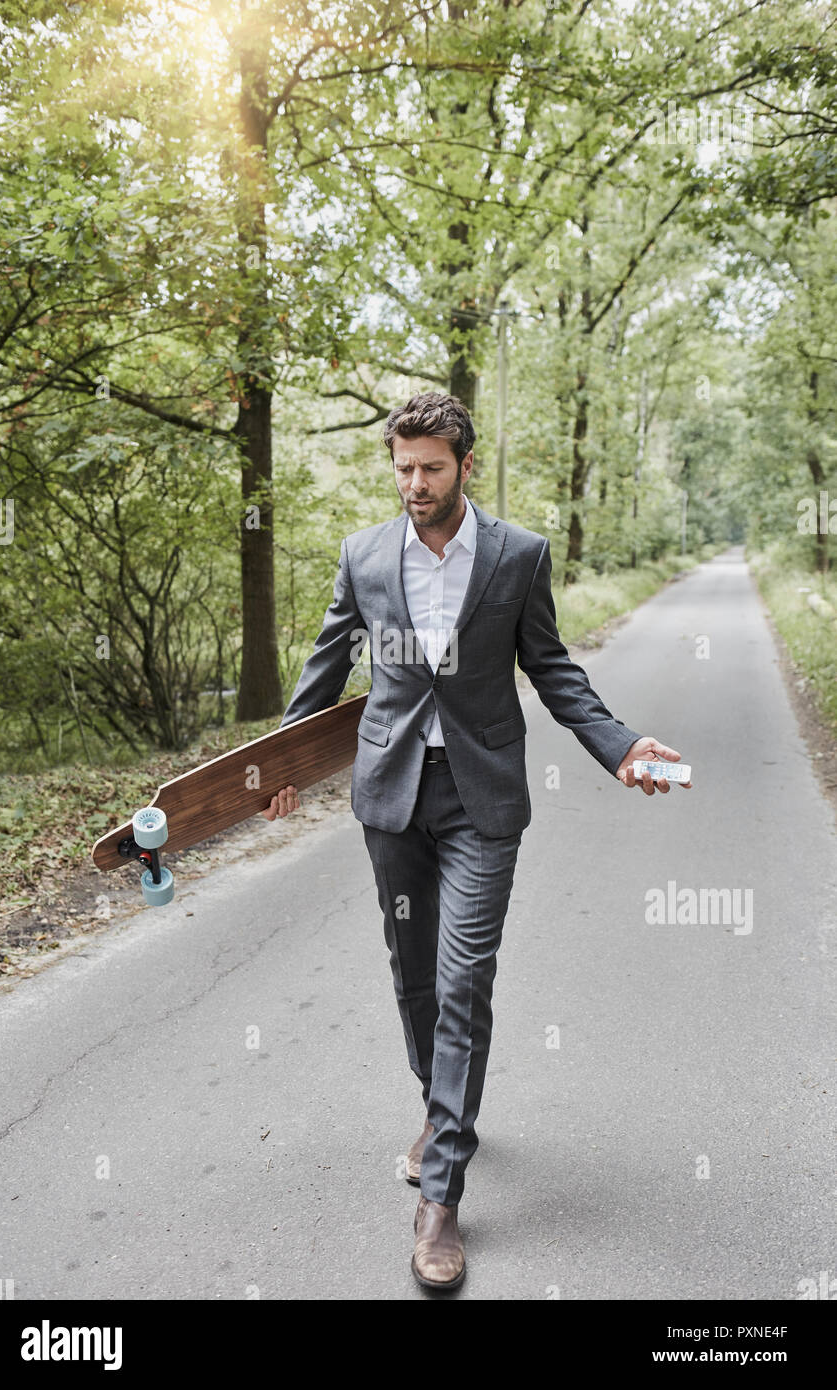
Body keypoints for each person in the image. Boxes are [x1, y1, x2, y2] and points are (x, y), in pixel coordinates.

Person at [263, 391, 691, 1292]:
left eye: (432, 468)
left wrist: (619, 746)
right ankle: (443, 1109)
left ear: (465, 465)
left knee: (463, 981)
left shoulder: (517, 555)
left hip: (480, 799)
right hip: (391, 795)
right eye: (404, 469)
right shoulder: (365, 555)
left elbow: (553, 667)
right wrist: (277, 766)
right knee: (415, 976)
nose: (415, 484)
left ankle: (441, 1199)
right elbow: (328, 664)